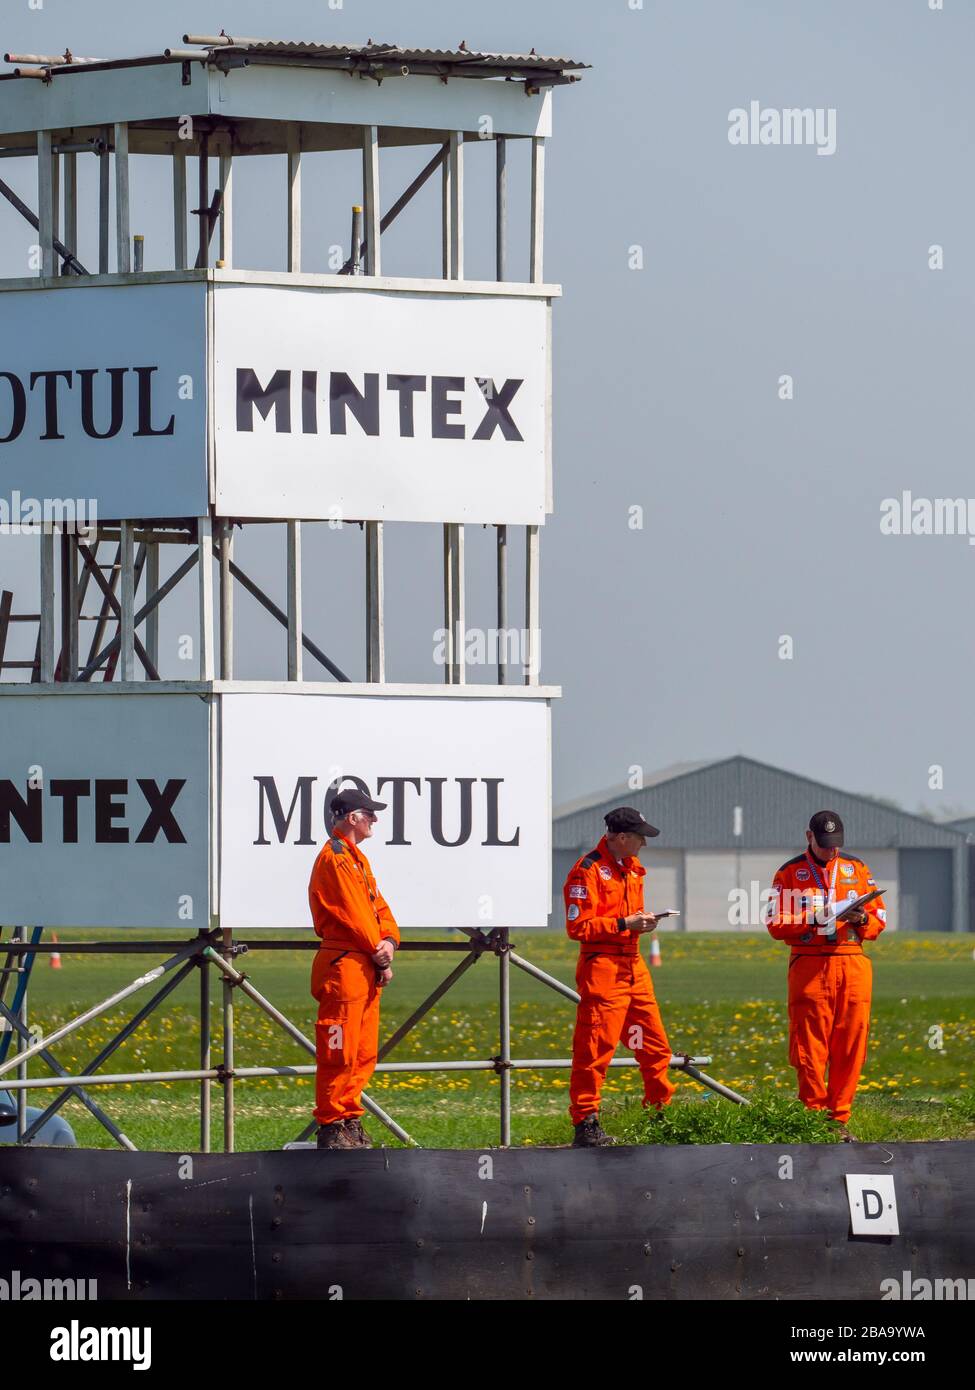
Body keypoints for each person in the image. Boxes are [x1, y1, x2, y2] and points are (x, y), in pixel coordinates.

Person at [765, 810, 887, 1140]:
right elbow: (775, 924)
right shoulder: (788, 872)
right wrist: (813, 916)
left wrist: (862, 920)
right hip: (809, 963)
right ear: (809, 837)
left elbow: (879, 922)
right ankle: (813, 1117)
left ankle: (839, 1119)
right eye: (824, 845)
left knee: (851, 1043)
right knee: (809, 1047)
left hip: (852, 962)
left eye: (836, 845)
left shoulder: (857, 868)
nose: (831, 851)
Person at [563, 806, 676, 1147]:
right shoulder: (587, 871)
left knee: (655, 1047)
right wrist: (626, 924)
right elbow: (578, 926)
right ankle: (586, 1123)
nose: (644, 843)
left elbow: (628, 917)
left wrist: (644, 921)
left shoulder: (633, 869)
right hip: (603, 968)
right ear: (622, 837)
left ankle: (659, 1115)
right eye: (641, 837)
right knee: (595, 1049)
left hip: (633, 965)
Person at [308, 789, 400, 1150]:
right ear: (351, 818)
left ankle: (349, 1117)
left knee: (363, 1051)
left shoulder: (357, 859)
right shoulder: (335, 858)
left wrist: (389, 941)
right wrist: (377, 950)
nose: (374, 819)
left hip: (362, 962)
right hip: (344, 962)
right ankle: (332, 1124)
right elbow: (356, 914)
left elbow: (379, 908)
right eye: (369, 814)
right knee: (339, 1049)